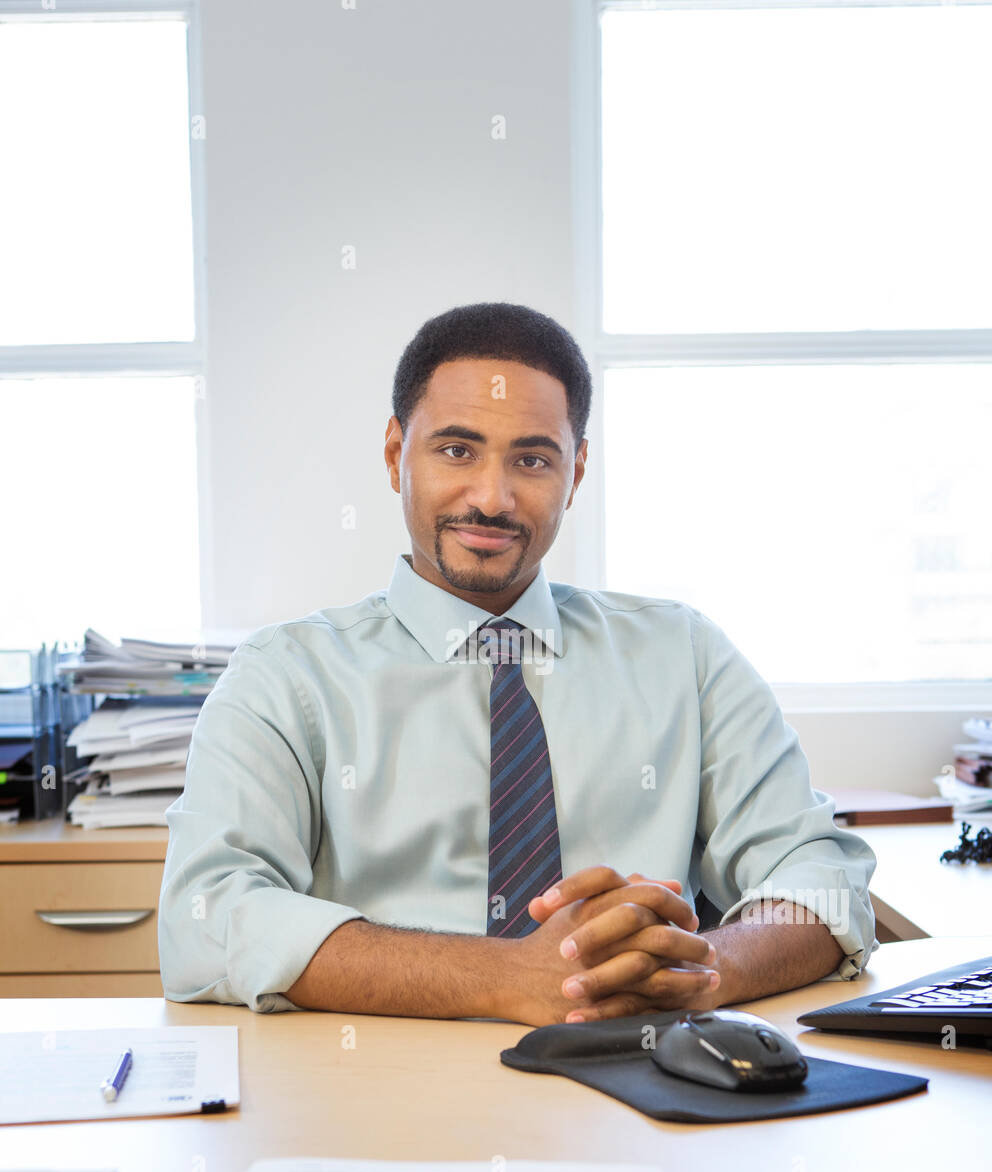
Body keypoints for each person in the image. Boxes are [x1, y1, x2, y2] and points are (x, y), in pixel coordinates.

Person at [158, 301, 877, 1026]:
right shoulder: (284, 677)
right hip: (381, 1092)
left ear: (577, 470)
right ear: (393, 454)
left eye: (532, 460)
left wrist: (701, 969)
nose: (491, 499)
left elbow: (821, 877)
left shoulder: (683, 654)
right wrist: (509, 978)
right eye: (456, 450)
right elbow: (206, 915)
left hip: (644, 1091)